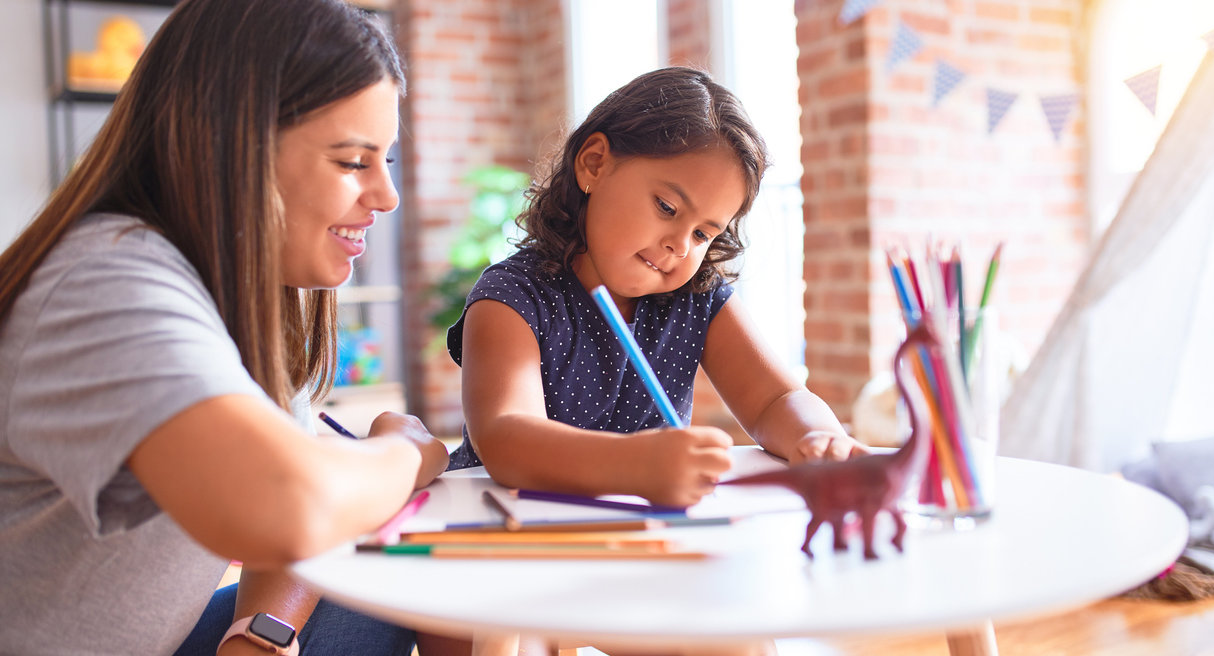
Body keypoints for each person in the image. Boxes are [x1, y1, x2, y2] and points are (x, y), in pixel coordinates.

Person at [0, 1, 450, 654]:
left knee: (416, 573)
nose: (386, 195)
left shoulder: (246, 291)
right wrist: (404, 453)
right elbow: (286, 507)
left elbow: (291, 505)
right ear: (234, 149)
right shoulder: (106, 281)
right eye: (354, 161)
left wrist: (259, 635)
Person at [448, 66, 868, 510]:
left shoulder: (698, 299)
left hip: (637, 541)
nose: (679, 245)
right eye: (667, 207)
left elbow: (776, 399)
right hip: (507, 530)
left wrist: (819, 438)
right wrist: (634, 466)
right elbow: (505, 436)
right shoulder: (512, 296)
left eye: (703, 234)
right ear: (594, 164)